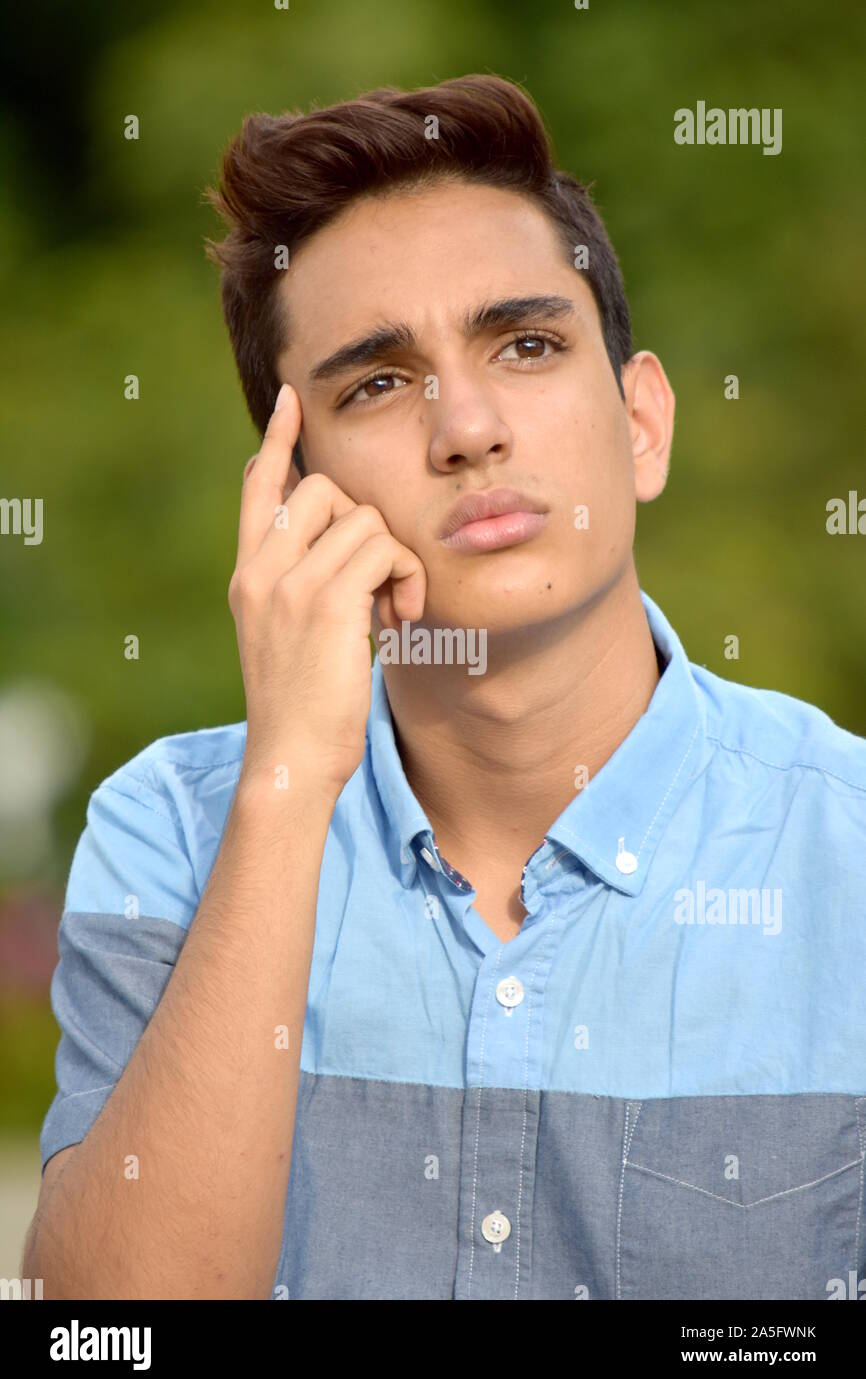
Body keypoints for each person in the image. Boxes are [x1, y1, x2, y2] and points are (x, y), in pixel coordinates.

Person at [24, 74, 866, 1301]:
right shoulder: (170, 831)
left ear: (640, 426)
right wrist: (283, 784)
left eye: (524, 344)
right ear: (293, 491)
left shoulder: (843, 851)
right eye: (376, 382)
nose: (464, 426)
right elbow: (110, 1334)